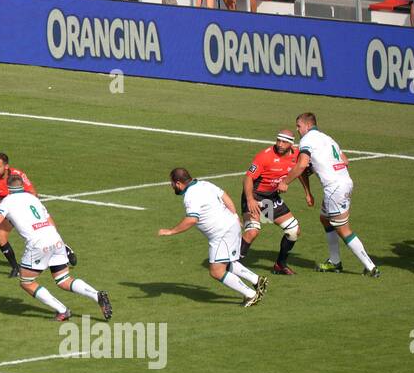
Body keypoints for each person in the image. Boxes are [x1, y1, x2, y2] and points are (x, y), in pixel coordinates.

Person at [0, 186, 112, 322]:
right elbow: (49, 221)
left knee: (26, 282)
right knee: (63, 280)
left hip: (38, 244)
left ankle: (62, 310)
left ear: (9, 189)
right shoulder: (33, 198)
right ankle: (96, 295)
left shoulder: (7, 201)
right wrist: (61, 243)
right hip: (55, 238)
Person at [278, 113, 380, 277]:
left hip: (334, 188)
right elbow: (345, 161)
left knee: (343, 229)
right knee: (325, 218)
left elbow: (302, 165)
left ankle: (371, 267)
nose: (297, 130)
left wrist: (285, 182)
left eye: (299, 126)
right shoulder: (328, 138)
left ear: (308, 125)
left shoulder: (307, 140)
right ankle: (335, 261)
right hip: (345, 182)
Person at [159, 169, 269, 307]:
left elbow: (192, 219)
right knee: (225, 262)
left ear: (178, 183)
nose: (172, 187)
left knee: (216, 271)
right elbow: (225, 196)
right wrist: (235, 216)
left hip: (221, 234)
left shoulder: (190, 196)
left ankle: (251, 294)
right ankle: (257, 280)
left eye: (172, 184)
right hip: (231, 226)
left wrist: (171, 231)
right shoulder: (204, 184)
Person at [242, 130, 315, 275]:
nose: (280, 145)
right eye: (278, 141)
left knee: (293, 231)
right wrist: (250, 199)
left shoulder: (297, 155)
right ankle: (232, 264)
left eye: (285, 142)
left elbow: (300, 171)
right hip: (255, 196)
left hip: (271, 198)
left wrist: (308, 192)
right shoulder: (264, 156)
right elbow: (248, 178)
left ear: (291, 144)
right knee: (252, 232)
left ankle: (280, 265)